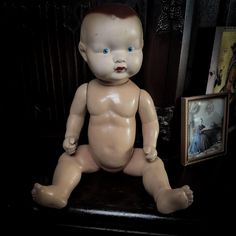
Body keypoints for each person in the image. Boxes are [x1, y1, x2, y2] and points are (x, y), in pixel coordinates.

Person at [32, 3, 193, 214]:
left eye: (130, 48)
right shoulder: (86, 91)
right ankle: (60, 191)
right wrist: (71, 135)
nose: (120, 58)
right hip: (92, 155)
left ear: (142, 46)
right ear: (84, 52)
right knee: (68, 159)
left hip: (129, 159)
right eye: (106, 50)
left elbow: (150, 122)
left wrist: (150, 145)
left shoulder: (139, 95)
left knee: (154, 165)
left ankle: (163, 194)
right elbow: (76, 115)